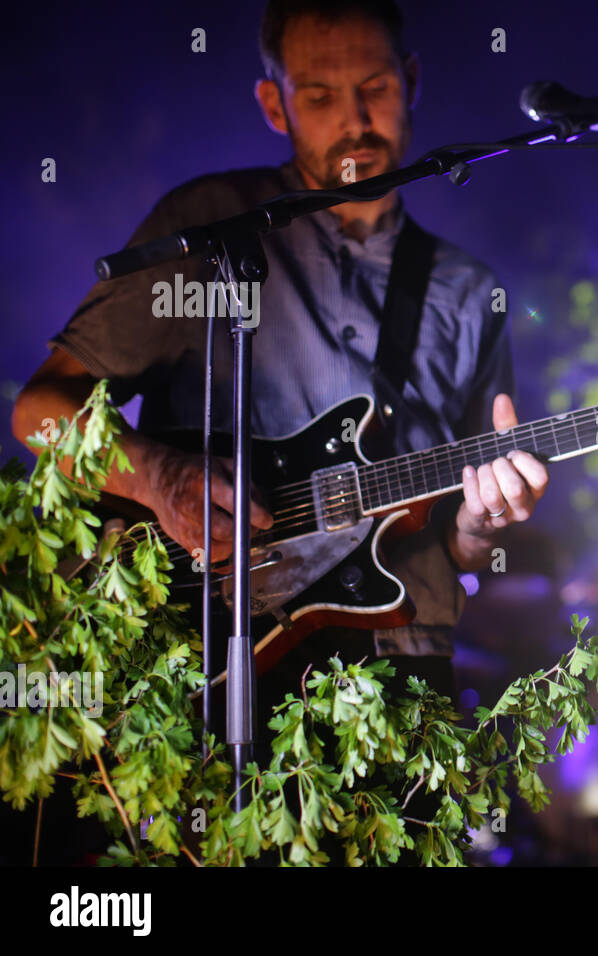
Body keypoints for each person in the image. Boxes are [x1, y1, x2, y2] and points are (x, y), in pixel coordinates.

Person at [10, 0, 548, 754]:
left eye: (376, 87)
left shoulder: (467, 289)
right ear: (274, 103)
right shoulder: (211, 226)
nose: (355, 118)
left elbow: (460, 546)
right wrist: (159, 478)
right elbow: (41, 409)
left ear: (413, 81)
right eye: (320, 95)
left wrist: (479, 523)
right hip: (208, 646)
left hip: (400, 667)